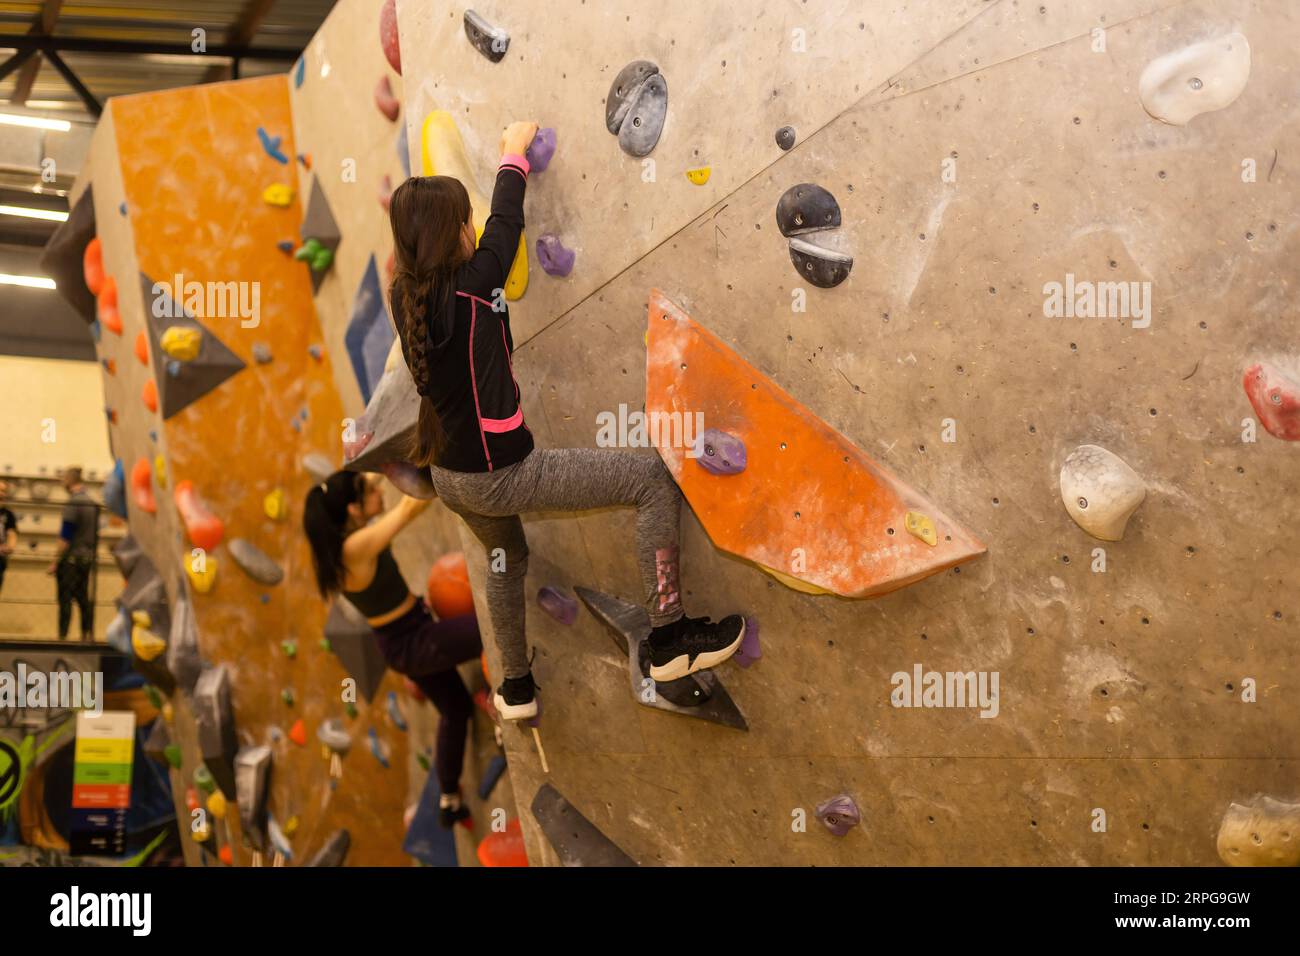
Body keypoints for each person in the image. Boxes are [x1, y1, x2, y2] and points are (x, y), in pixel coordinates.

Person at [387, 120, 746, 722]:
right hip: (502, 475)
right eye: (462, 221)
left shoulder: (407, 294)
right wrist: (512, 154)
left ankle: (517, 689)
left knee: (507, 561)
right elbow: (504, 227)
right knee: (649, 483)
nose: (473, 228)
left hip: (453, 480)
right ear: (453, 235)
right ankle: (668, 639)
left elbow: (492, 234)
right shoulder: (474, 286)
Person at [304, 471, 480, 829]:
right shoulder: (352, 550)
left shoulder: (347, 539)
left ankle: (448, 799)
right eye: (371, 491)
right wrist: (434, 458)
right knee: (487, 631)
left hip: (408, 632)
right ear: (353, 508)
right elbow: (410, 509)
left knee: (456, 708)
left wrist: (382, 465)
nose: (379, 489)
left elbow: (371, 477)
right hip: (412, 643)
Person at [48, 467, 97, 641]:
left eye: (63, 479)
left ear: (70, 480)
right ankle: (86, 636)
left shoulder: (73, 503)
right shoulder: (91, 503)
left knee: (65, 601)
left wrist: (55, 561)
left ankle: (63, 638)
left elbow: (66, 536)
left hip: (70, 560)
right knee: (83, 599)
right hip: (86, 558)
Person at [0, 480, 17, 595]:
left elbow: (12, 533)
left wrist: (10, 547)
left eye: (3, 491)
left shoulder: (8, 514)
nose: (1, 493)